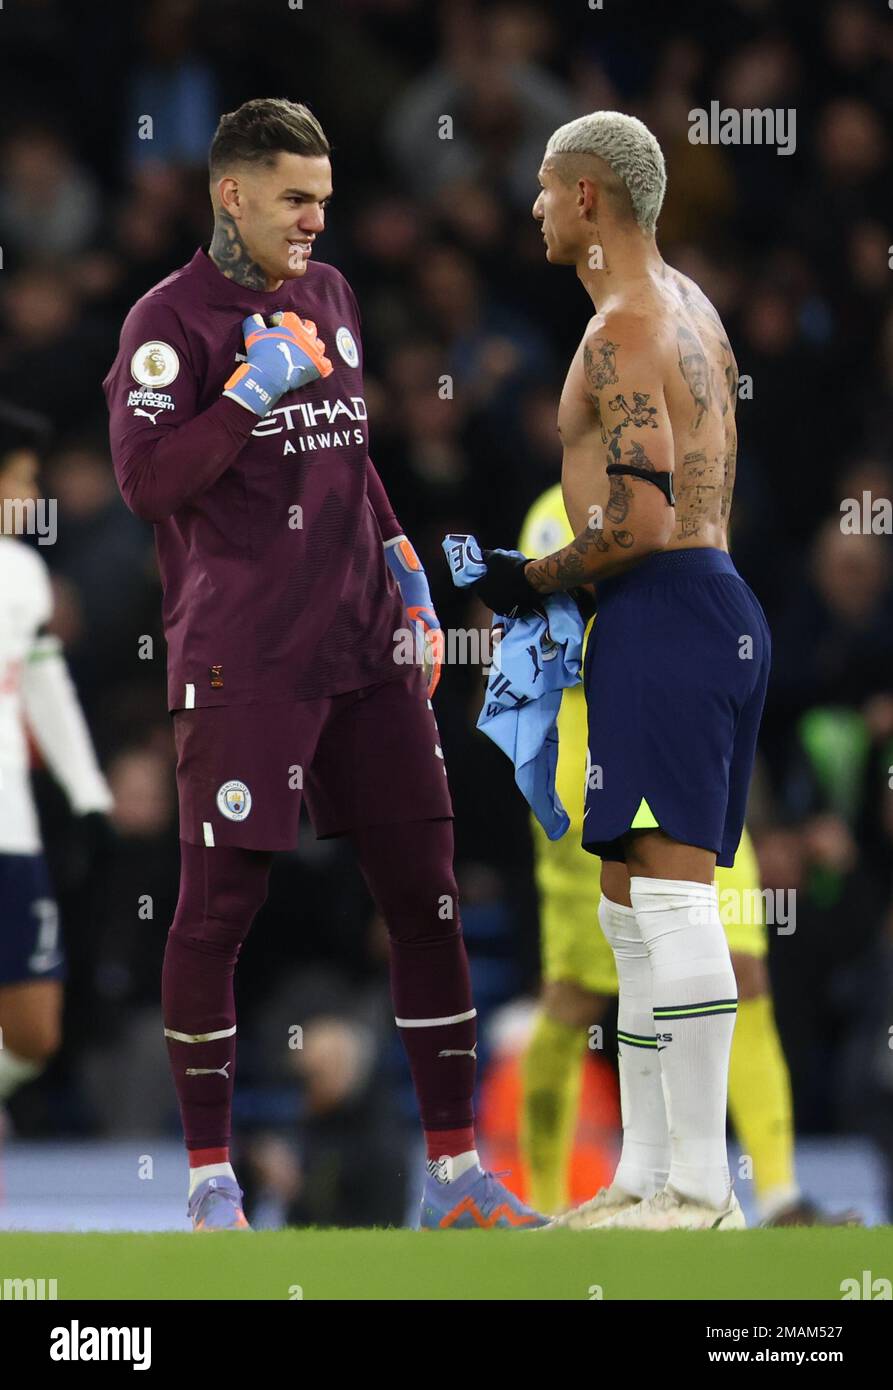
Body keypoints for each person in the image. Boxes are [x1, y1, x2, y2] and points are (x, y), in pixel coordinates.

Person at [103, 97, 543, 1231]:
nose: (313, 222)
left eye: (325, 203)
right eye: (294, 200)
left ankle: (454, 1176)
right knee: (219, 911)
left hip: (362, 650)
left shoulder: (331, 295)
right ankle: (209, 1185)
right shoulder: (169, 325)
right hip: (245, 659)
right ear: (229, 193)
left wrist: (400, 557)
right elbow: (146, 482)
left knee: (427, 901)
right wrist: (248, 396)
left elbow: (346, 450)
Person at [468, 111, 771, 1230]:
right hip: (692, 609)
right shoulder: (685, 304)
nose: (534, 209)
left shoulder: (620, 332)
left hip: (665, 610)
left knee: (675, 901)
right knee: (630, 905)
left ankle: (699, 1187)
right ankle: (646, 1175)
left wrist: (532, 576)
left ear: (588, 195)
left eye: (545, 191)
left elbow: (637, 517)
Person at [518, 484, 853, 1228]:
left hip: (687, 739)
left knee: (745, 967)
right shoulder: (557, 511)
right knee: (578, 995)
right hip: (589, 753)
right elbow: (539, 631)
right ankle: (546, 1201)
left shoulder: (687, 490)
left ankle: (775, 1193)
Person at [0, 403, 113, 1146]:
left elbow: (46, 688)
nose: (31, 498)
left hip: (12, 829)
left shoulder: (24, 573)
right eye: (21, 480)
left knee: (36, 1030)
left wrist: (89, 797)